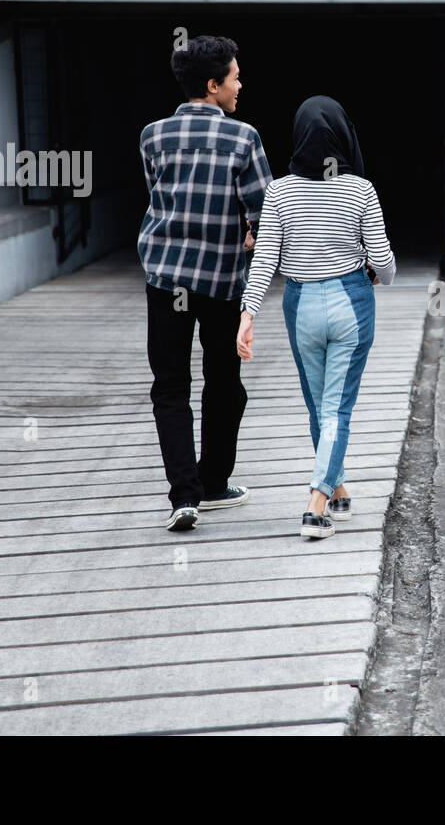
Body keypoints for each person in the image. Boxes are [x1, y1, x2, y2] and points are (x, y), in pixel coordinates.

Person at [236, 96, 395, 540]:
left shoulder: (280, 191)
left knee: (318, 407)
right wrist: (380, 275)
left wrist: (248, 312)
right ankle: (316, 504)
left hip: (300, 305)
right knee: (337, 409)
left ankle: (338, 489)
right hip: (350, 302)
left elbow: (265, 257)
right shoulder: (361, 189)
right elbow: (382, 260)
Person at [138, 35, 269, 533]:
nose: (240, 84)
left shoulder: (152, 136)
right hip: (220, 281)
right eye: (234, 77)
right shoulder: (244, 139)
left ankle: (184, 496)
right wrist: (249, 238)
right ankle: (214, 483)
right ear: (213, 86)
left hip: (165, 279)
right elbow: (263, 216)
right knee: (224, 384)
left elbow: (160, 197)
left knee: (170, 386)